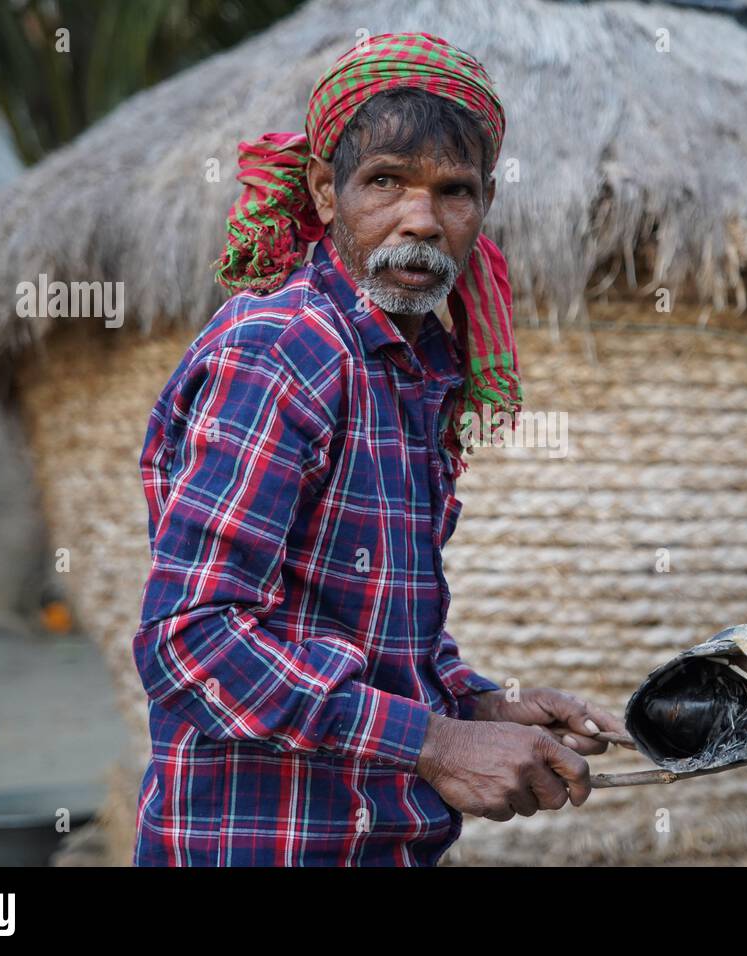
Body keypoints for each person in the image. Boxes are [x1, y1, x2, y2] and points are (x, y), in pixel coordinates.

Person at [131, 32, 626, 866]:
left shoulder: (413, 369)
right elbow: (188, 641)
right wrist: (433, 743)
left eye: (454, 191)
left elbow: (375, 633)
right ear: (326, 191)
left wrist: (481, 707)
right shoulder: (284, 350)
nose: (422, 219)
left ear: (485, 204)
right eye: (386, 181)